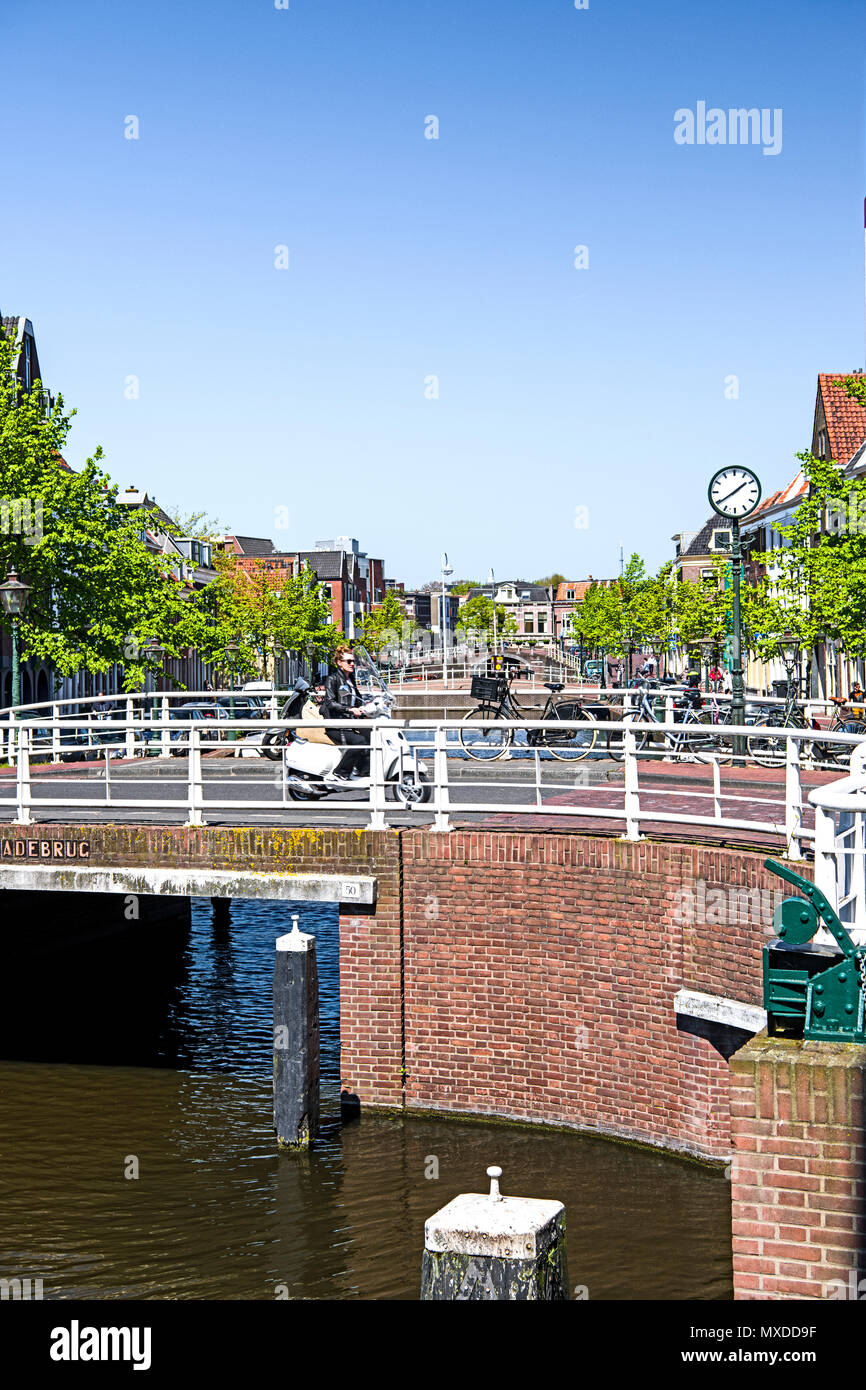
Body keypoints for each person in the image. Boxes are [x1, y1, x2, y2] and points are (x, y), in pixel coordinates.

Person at [322, 647, 370, 781]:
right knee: (360, 741)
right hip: (338, 724)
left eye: (353, 661)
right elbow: (330, 702)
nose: (352, 664)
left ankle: (364, 770)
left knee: (374, 734)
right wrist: (349, 709)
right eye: (348, 661)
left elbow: (358, 699)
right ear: (339, 662)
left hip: (351, 721)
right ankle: (340, 772)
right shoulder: (333, 679)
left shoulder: (350, 679)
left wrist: (370, 704)